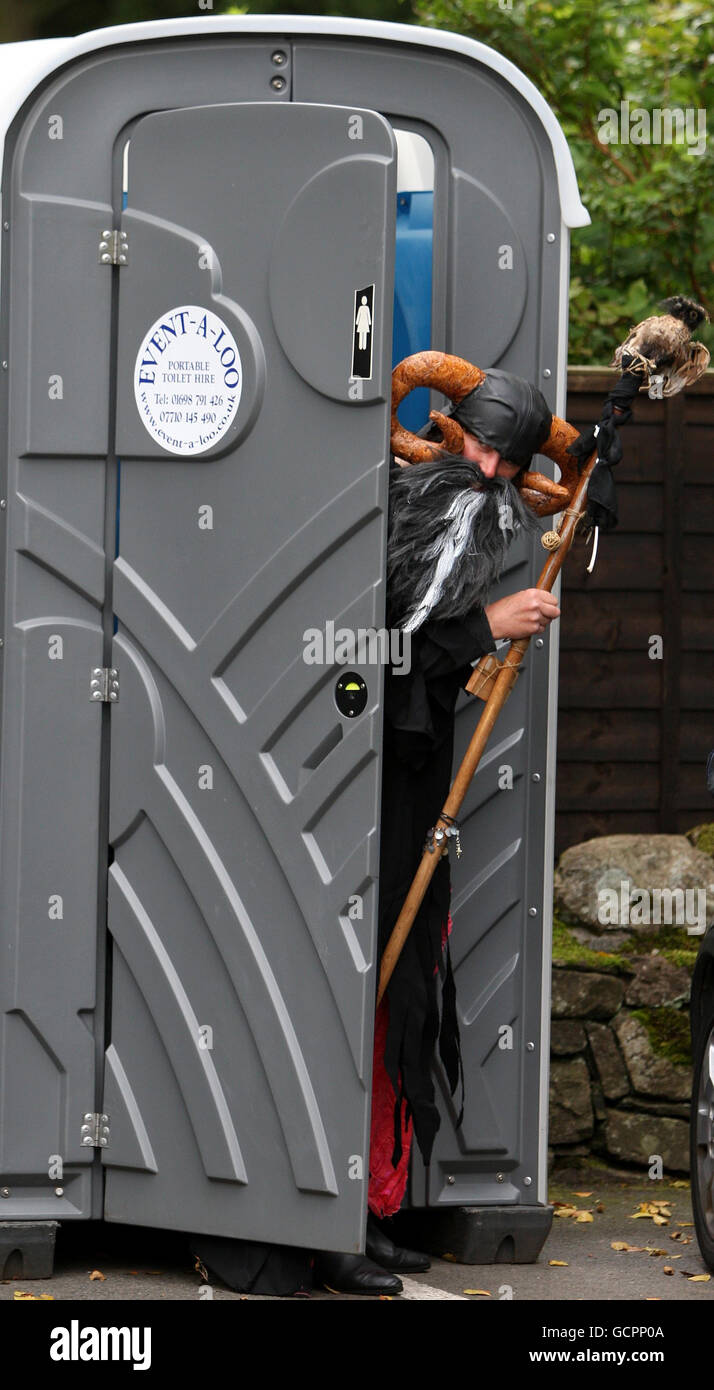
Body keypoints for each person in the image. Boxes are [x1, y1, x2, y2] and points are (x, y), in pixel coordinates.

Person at [316, 363, 561, 1295]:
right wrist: (482, 626)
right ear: (445, 427)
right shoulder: (380, 510)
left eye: (509, 458)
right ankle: (315, 1213)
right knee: (345, 988)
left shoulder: (480, 512)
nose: (493, 470)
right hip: (345, 790)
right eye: (481, 445)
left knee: (403, 994)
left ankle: (368, 1207)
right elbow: (350, 652)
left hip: (416, 790)